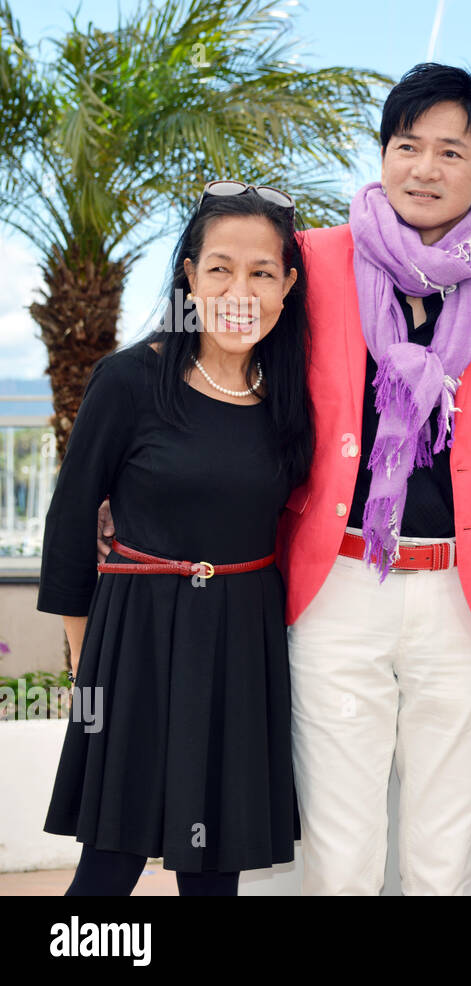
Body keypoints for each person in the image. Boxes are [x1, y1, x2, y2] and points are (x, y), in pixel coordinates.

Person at [275, 63, 471, 896]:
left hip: (461, 598)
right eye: (407, 146)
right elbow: (218, 368)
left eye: (450, 151)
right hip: (336, 584)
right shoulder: (306, 263)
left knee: (444, 848)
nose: (424, 168)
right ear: (384, 153)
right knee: (340, 846)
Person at [38, 182, 310, 895]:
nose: (238, 289)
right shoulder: (129, 380)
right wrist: (82, 668)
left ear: (287, 283)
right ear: (189, 276)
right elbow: (70, 524)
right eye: (219, 268)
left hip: (242, 646)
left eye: (261, 271)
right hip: (134, 645)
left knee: (213, 870)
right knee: (109, 864)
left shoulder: (292, 398)